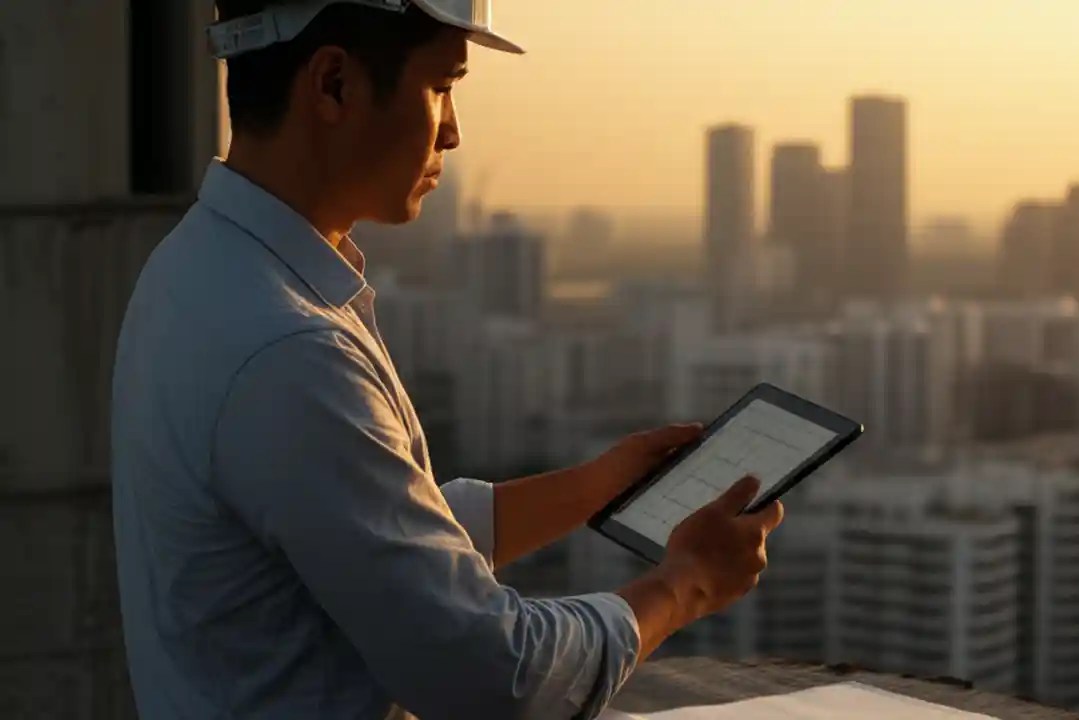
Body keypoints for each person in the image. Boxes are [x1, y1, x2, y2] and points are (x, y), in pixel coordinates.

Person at [109, 2, 785, 718]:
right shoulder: (288, 350)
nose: (455, 131)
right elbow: (495, 677)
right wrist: (686, 586)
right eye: (442, 86)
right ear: (333, 83)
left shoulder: (197, 271)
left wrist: (590, 488)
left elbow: (372, 534)